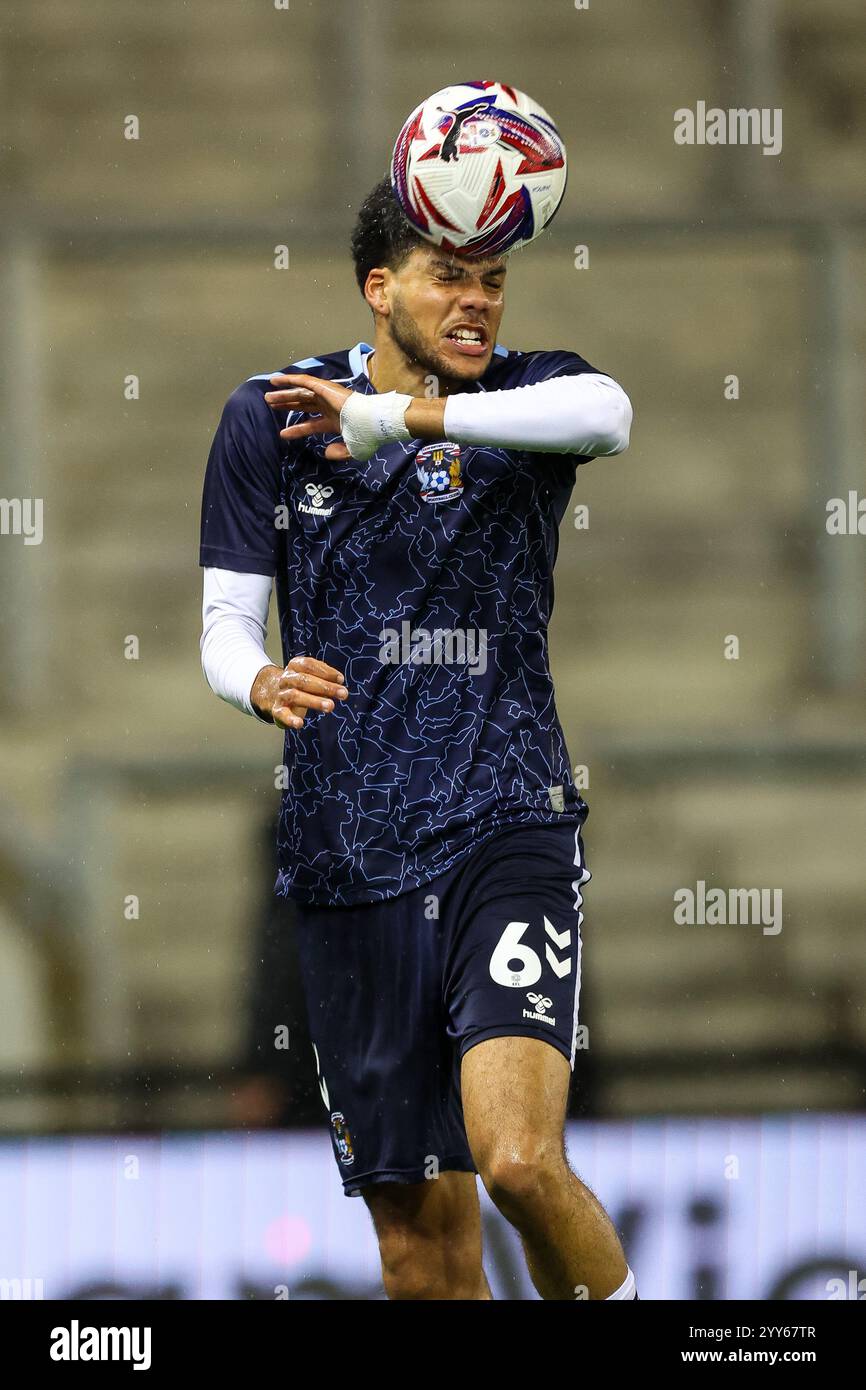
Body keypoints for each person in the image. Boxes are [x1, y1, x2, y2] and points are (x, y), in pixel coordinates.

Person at [199, 177, 637, 1300]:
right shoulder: (270, 412)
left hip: (507, 823)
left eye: (492, 278)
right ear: (377, 289)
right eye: (449, 276)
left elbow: (611, 416)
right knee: (417, 1245)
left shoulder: (528, 395)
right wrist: (253, 680)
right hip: (349, 855)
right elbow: (221, 624)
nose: (477, 300)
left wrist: (404, 417)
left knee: (519, 1162)